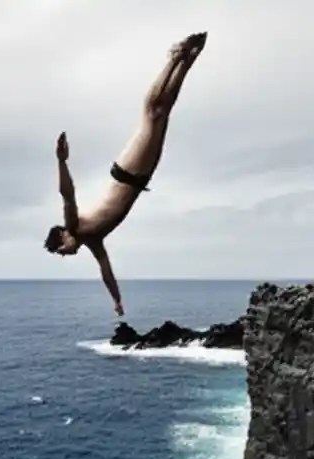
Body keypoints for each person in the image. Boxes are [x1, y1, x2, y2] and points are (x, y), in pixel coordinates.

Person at [44, 32, 208, 317]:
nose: (66, 254)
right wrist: (117, 301)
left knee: (152, 113)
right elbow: (107, 273)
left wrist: (61, 161)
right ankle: (186, 62)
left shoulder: (74, 224)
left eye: (61, 250)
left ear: (62, 235)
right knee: (162, 113)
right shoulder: (93, 241)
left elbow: (66, 193)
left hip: (128, 171)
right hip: (141, 177)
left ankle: (174, 59)